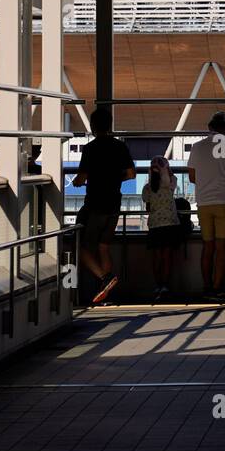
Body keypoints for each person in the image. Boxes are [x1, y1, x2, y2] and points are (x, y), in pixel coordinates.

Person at [72, 107, 136, 304]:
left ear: (93, 126)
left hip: (95, 204)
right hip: (114, 204)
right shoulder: (120, 146)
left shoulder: (90, 149)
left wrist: (77, 182)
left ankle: (104, 278)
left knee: (81, 247)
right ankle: (105, 292)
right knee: (103, 247)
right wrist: (114, 178)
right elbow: (131, 174)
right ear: (110, 125)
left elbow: (81, 178)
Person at [186, 111, 225, 300]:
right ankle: (217, 287)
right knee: (222, 248)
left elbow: (192, 177)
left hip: (204, 203)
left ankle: (206, 287)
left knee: (208, 247)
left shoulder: (196, 147)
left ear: (209, 127)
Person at [142, 155, 181, 301]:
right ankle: (165, 285)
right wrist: (166, 168)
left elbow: (148, 207)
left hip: (155, 225)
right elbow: (171, 176)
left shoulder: (147, 188)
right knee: (167, 256)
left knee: (157, 256)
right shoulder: (170, 183)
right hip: (170, 223)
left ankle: (157, 285)